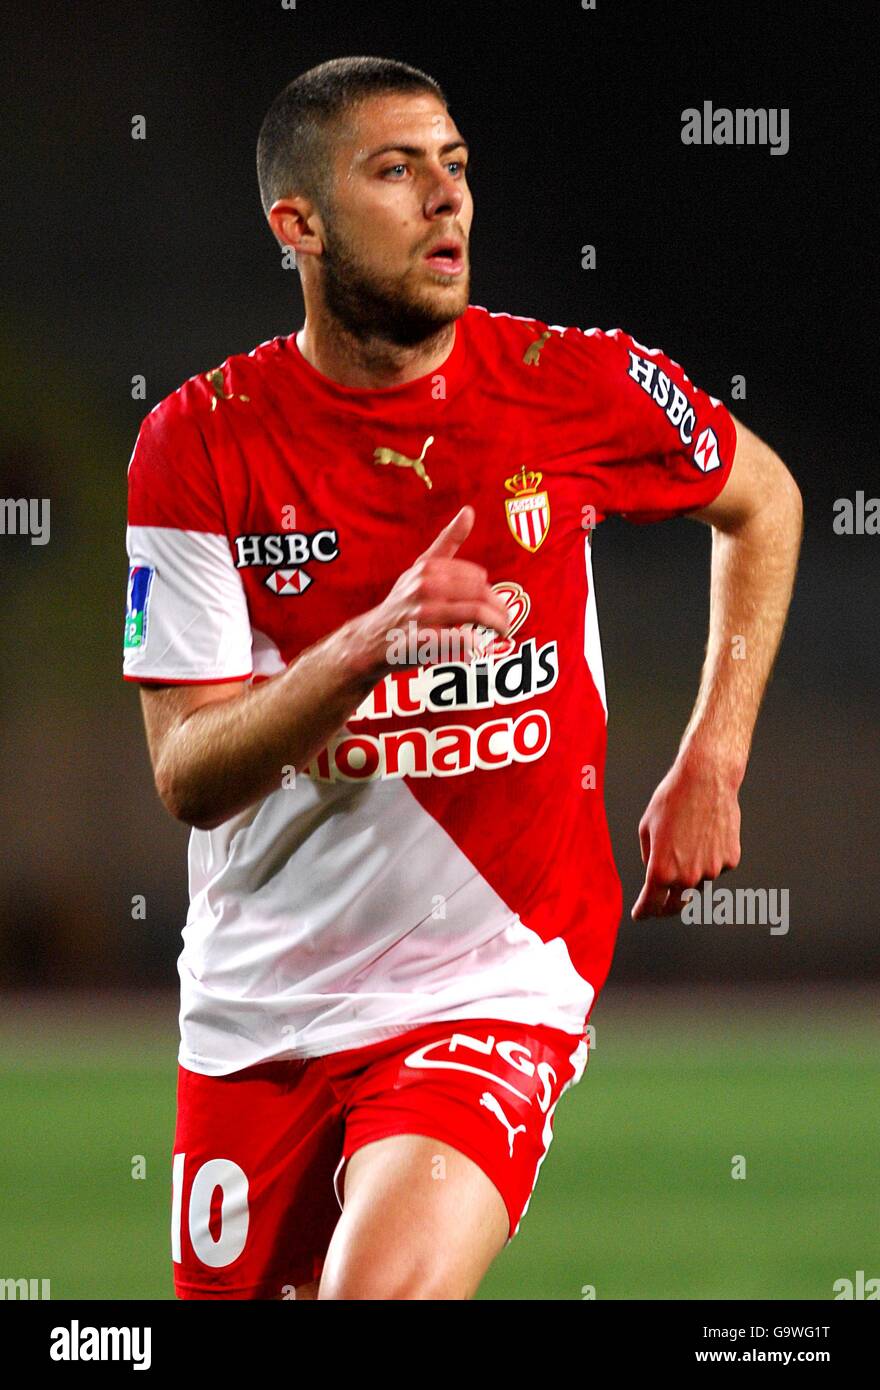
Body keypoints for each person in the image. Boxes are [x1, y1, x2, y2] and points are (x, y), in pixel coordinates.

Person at [122, 55, 803, 1300]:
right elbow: (189, 778)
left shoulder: (573, 384)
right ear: (300, 225)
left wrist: (715, 750)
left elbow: (763, 499)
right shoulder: (196, 441)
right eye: (397, 171)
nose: (447, 200)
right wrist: (366, 644)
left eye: (456, 166)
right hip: (256, 1008)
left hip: (492, 977)